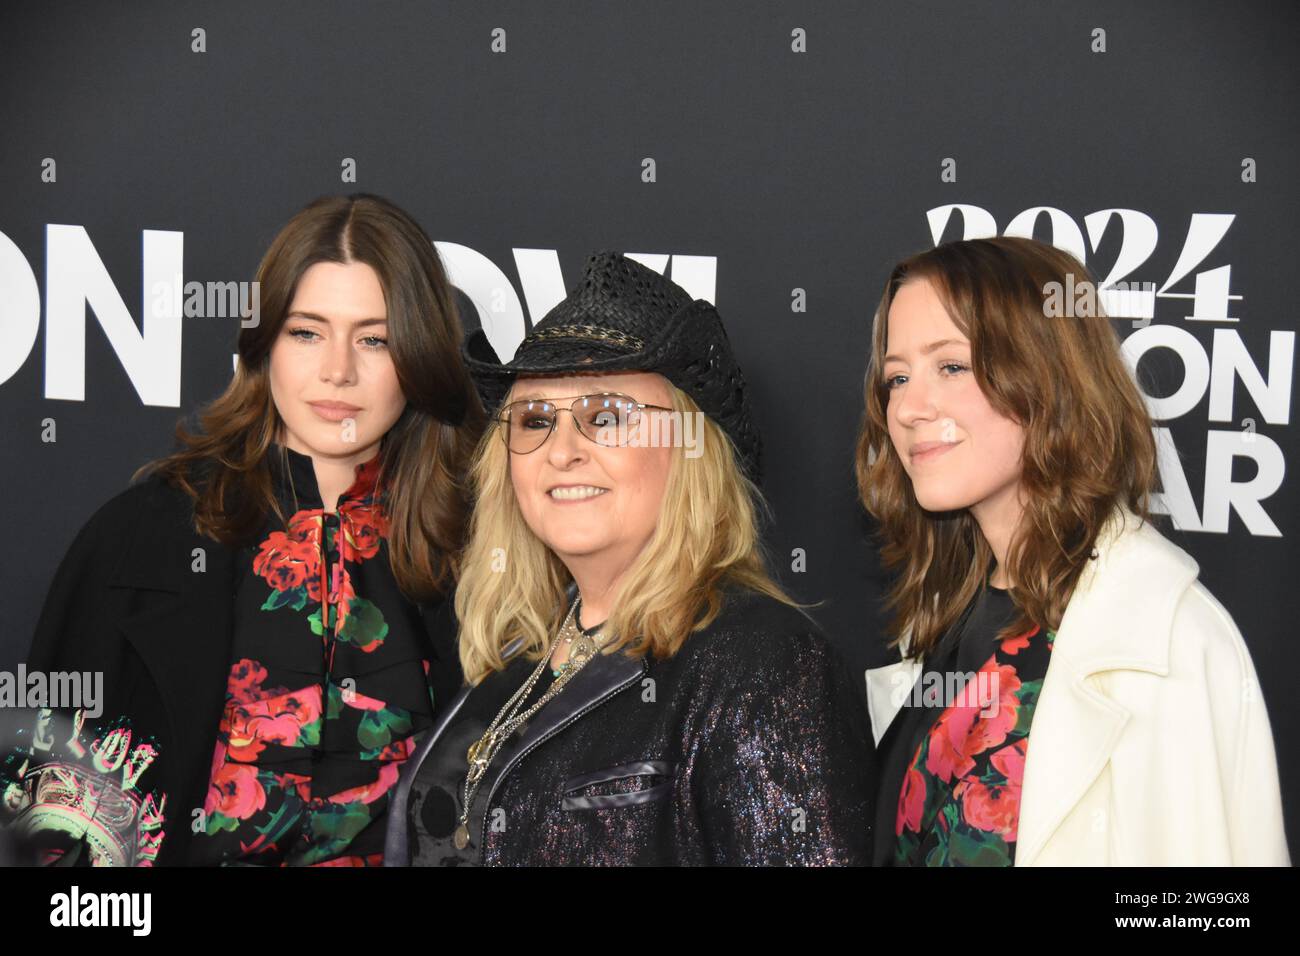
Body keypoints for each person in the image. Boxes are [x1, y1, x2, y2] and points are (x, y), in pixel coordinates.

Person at [0, 193, 485, 866]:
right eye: (306, 332)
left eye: (374, 339)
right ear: (263, 347)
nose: (337, 371)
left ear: (421, 357)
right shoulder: (140, 539)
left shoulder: (481, 551)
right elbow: (46, 833)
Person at [384, 252, 875, 866]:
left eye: (607, 416)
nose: (562, 451)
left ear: (690, 449)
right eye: (535, 419)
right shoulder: (518, 655)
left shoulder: (766, 666)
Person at [859, 236, 1290, 865]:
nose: (909, 408)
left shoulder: (1168, 643)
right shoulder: (951, 611)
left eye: (950, 366)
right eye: (897, 377)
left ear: (1045, 374)